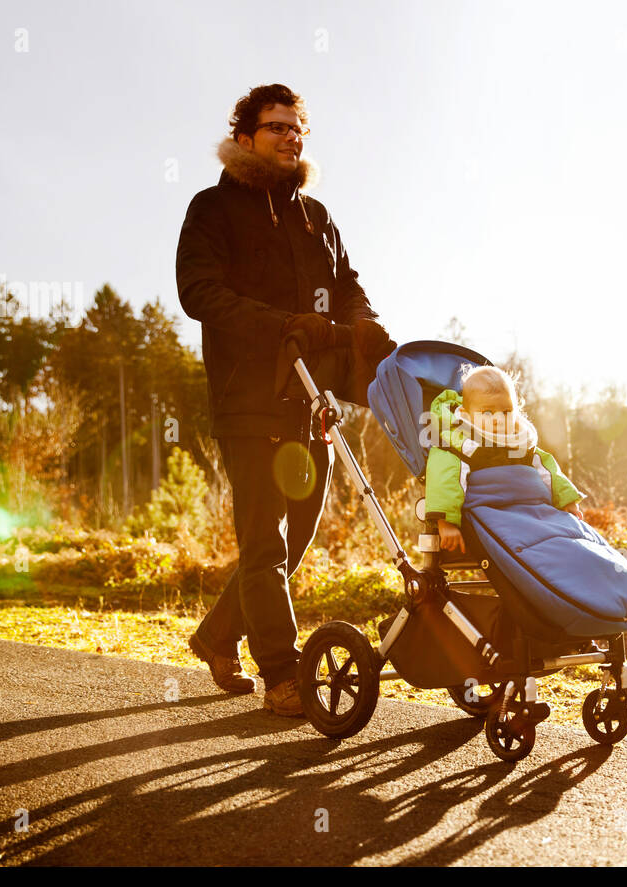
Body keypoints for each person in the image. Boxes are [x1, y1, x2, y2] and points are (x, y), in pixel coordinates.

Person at [175, 83, 392, 716]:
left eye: (297, 128)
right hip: (250, 394)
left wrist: (365, 325)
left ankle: (216, 635)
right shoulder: (213, 209)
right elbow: (199, 292)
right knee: (264, 546)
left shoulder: (314, 217)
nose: (290, 137)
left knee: (291, 543)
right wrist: (284, 326)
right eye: (276, 127)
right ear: (244, 138)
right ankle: (281, 675)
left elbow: (346, 287)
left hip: (310, 398)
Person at [424, 365, 584, 554]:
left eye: (506, 412)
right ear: (466, 415)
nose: (498, 419)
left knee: (574, 544)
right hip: (493, 517)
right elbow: (444, 480)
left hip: (536, 515)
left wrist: (568, 502)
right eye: (487, 412)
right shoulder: (460, 445)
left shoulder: (520, 445)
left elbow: (550, 472)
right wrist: (446, 522)